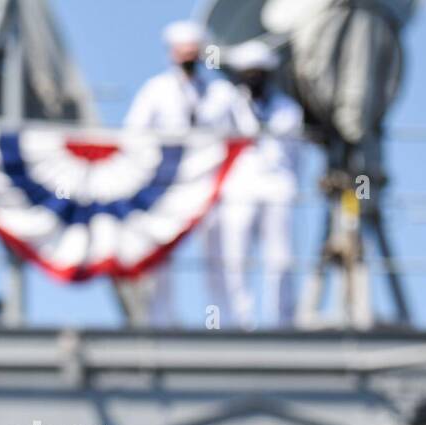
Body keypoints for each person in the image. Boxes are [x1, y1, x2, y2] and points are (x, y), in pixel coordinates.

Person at [124, 20, 236, 328]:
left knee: (219, 256)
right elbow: (134, 135)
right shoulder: (156, 91)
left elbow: (242, 136)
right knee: (162, 253)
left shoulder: (221, 93)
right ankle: (162, 321)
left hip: (212, 184)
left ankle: (223, 321)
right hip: (168, 186)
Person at [203, 40, 305, 329]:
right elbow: (207, 128)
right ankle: (238, 321)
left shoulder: (287, 110)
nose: (253, 77)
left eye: (258, 72)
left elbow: (295, 156)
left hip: (276, 187)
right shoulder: (228, 104)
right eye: (248, 72)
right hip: (240, 187)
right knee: (235, 258)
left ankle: (282, 322)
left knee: (281, 259)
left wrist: (291, 186)